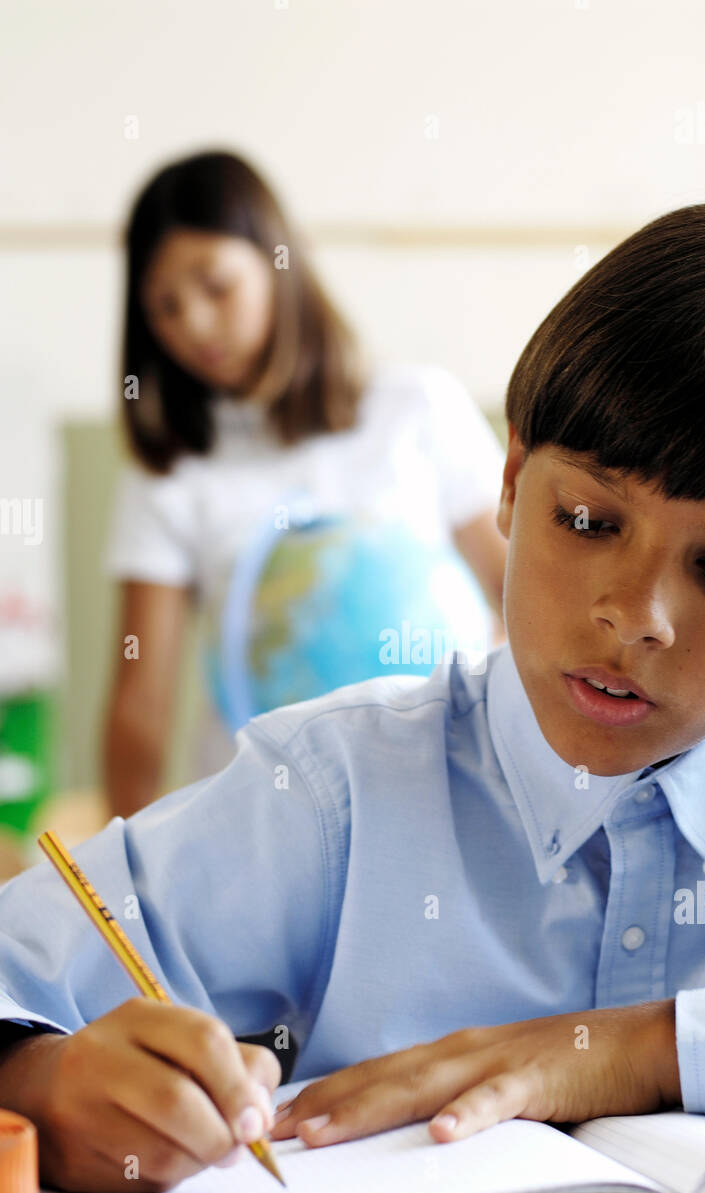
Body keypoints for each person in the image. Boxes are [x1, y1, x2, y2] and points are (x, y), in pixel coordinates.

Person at [2, 198, 705, 1193]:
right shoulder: (332, 794)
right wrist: (41, 1078)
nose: (631, 616)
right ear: (506, 483)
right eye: (585, 519)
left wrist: (641, 1049)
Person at [102, 149, 507, 818]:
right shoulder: (170, 470)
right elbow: (141, 699)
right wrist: (115, 883)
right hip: (260, 820)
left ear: (277, 259)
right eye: (164, 307)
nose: (193, 325)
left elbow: (522, 601)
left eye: (215, 286)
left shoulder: (418, 408)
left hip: (445, 801)